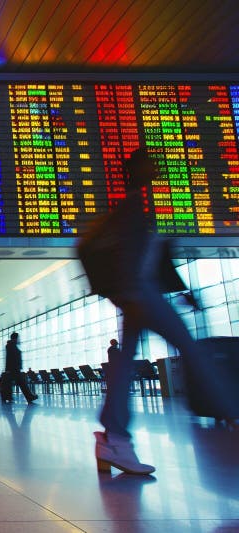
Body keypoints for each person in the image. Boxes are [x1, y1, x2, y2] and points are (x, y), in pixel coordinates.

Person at [92, 148, 201, 475]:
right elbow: (131, 257)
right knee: (195, 354)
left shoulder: (142, 205)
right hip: (142, 294)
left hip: (140, 294)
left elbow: (152, 255)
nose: (156, 168)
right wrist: (129, 291)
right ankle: (113, 437)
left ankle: (112, 438)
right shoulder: (134, 205)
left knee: (125, 364)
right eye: (149, 163)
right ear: (137, 169)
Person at [3, 333, 38, 404]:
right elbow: (9, 358)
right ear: (15, 338)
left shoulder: (11, 345)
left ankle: (8, 397)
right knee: (22, 383)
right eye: (18, 337)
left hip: (13, 368)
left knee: (21, 383)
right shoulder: (11, 345)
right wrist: (8, 369)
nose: (19, 339)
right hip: (14, 368)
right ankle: (29, 397)